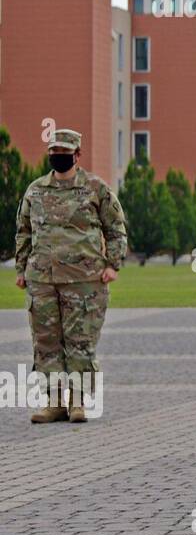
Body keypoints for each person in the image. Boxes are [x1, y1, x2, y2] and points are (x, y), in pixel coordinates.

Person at [15, 129, 126, 424]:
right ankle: (54, 402)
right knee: (46, 342)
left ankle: (77, 402)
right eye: (54, 153)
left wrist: (113, 264)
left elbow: (115, 228)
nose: (58, 158)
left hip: (85, 281)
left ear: (77, 155)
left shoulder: (95, 189)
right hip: (42, 280)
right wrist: (21, 269)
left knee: (80, 342)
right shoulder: (35, 190)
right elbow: (24, 232)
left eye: (64, 154)